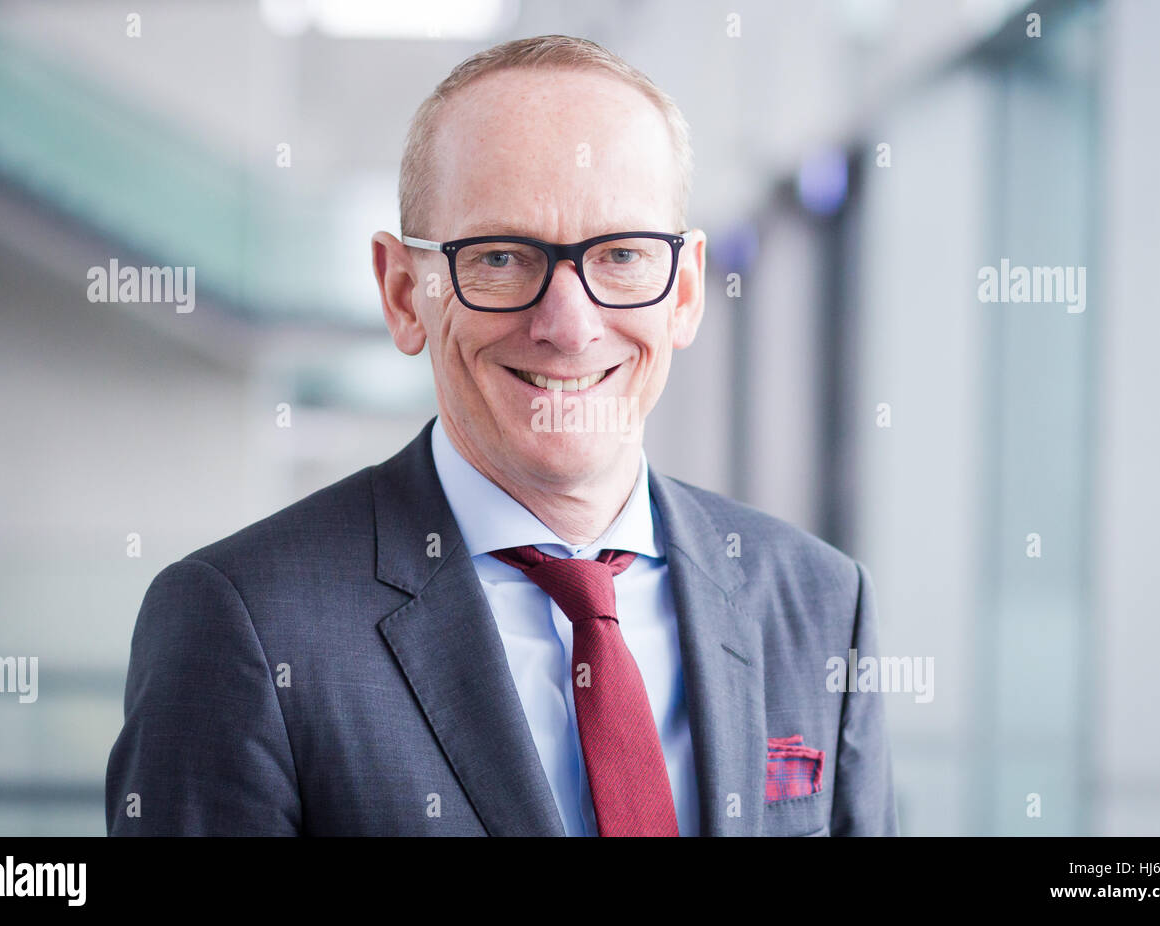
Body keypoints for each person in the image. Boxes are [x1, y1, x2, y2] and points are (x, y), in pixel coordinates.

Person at [106, 34, 897, 837]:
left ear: (685, 292)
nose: (568, 325)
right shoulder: (243, 624)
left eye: (621, 254)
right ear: (404, 293)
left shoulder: (821, 604)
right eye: (502, 258)